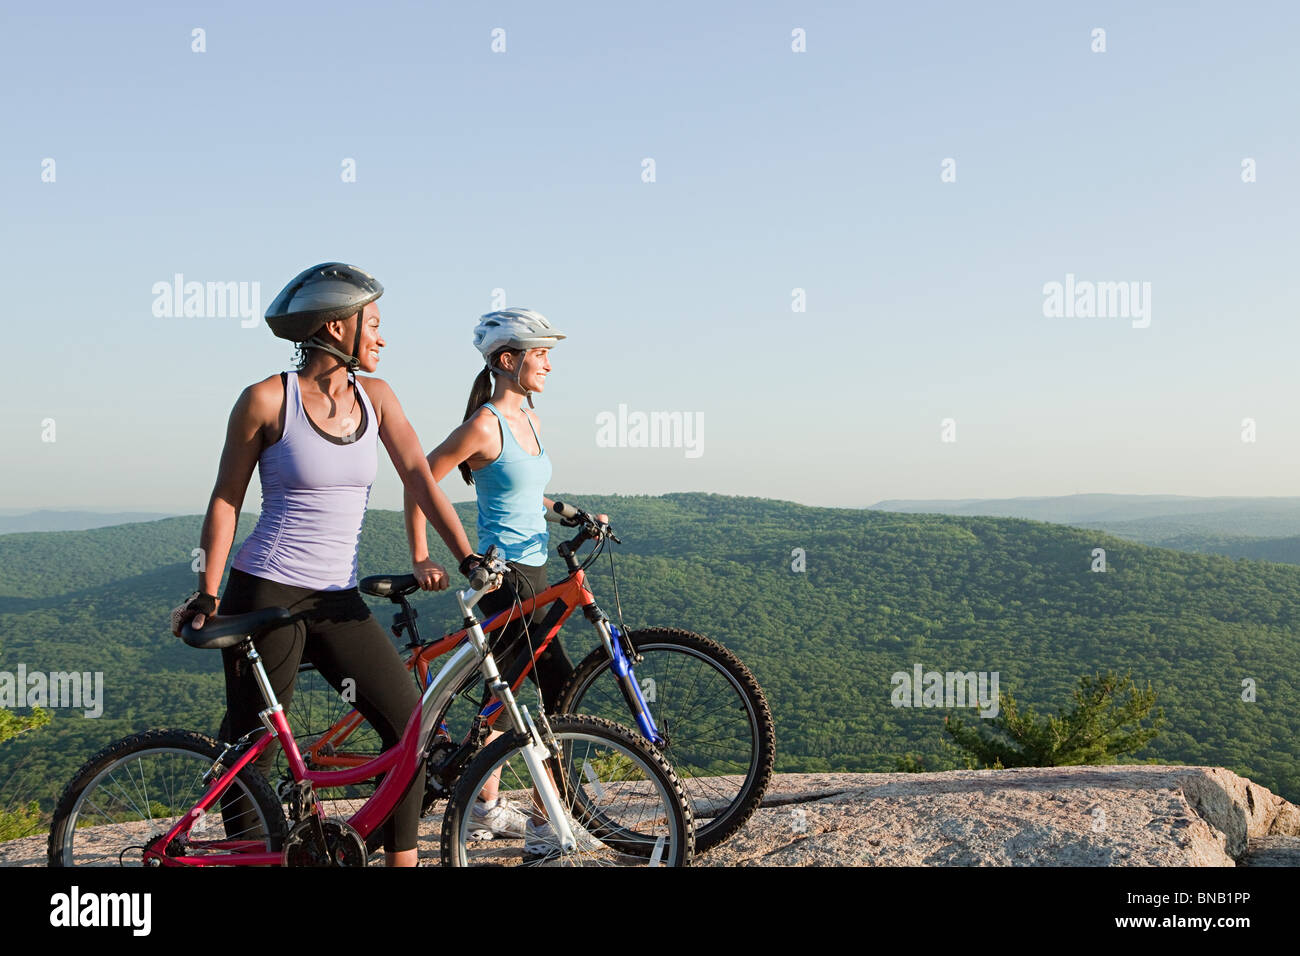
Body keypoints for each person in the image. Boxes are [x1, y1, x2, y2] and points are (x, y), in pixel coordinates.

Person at [170, 262, 474, 867]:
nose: (383, 338)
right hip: (266, 593)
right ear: (338, 327)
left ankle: (400, 862)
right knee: (253, 747)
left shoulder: (378, 398)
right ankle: (249, 854)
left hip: (337, 600)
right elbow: (225, 498)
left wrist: (466, 557)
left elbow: (420, 478)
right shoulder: (264, 400)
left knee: (409, 729)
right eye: (375, 325)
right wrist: (207, 592)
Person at [402, 307, 607, 852]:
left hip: (536, 571)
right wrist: (425, 556)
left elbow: (522, 492)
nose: (547, 365)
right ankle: (544, 828)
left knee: (510, 692)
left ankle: (485, 807)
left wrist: (569, 512)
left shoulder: (530, 419)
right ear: (507, 360)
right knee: (557, 695)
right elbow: (419, 481)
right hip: (504, 577)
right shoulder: (483, 424)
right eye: (539, 354)